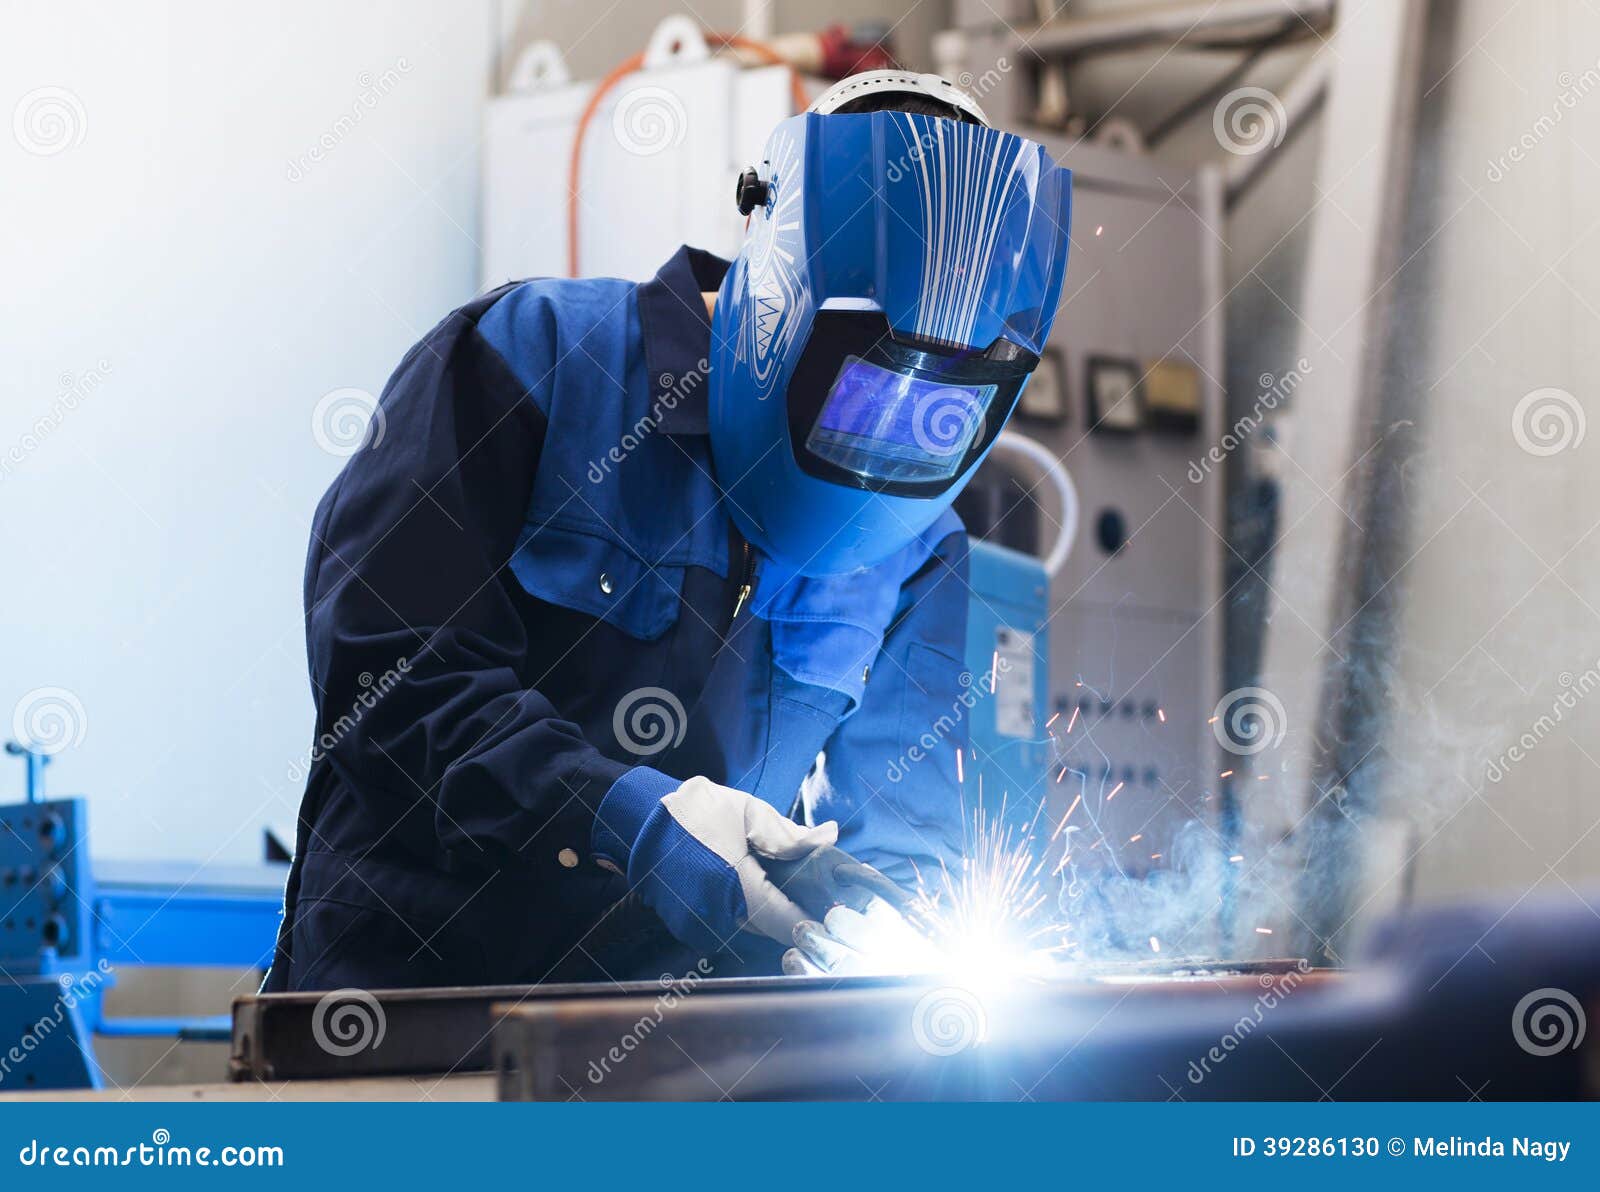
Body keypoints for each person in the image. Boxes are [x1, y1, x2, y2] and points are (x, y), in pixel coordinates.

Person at [265, 69, 1073, 992]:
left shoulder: (922, 538)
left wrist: (885, 927)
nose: (885, 432)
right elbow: (387, 686)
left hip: (689, 1060)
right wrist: (625, 818)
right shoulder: (530, 358)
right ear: (778, 281)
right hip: (416, 1019)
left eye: (930, 411)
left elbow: (904, 829)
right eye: (862, 379)